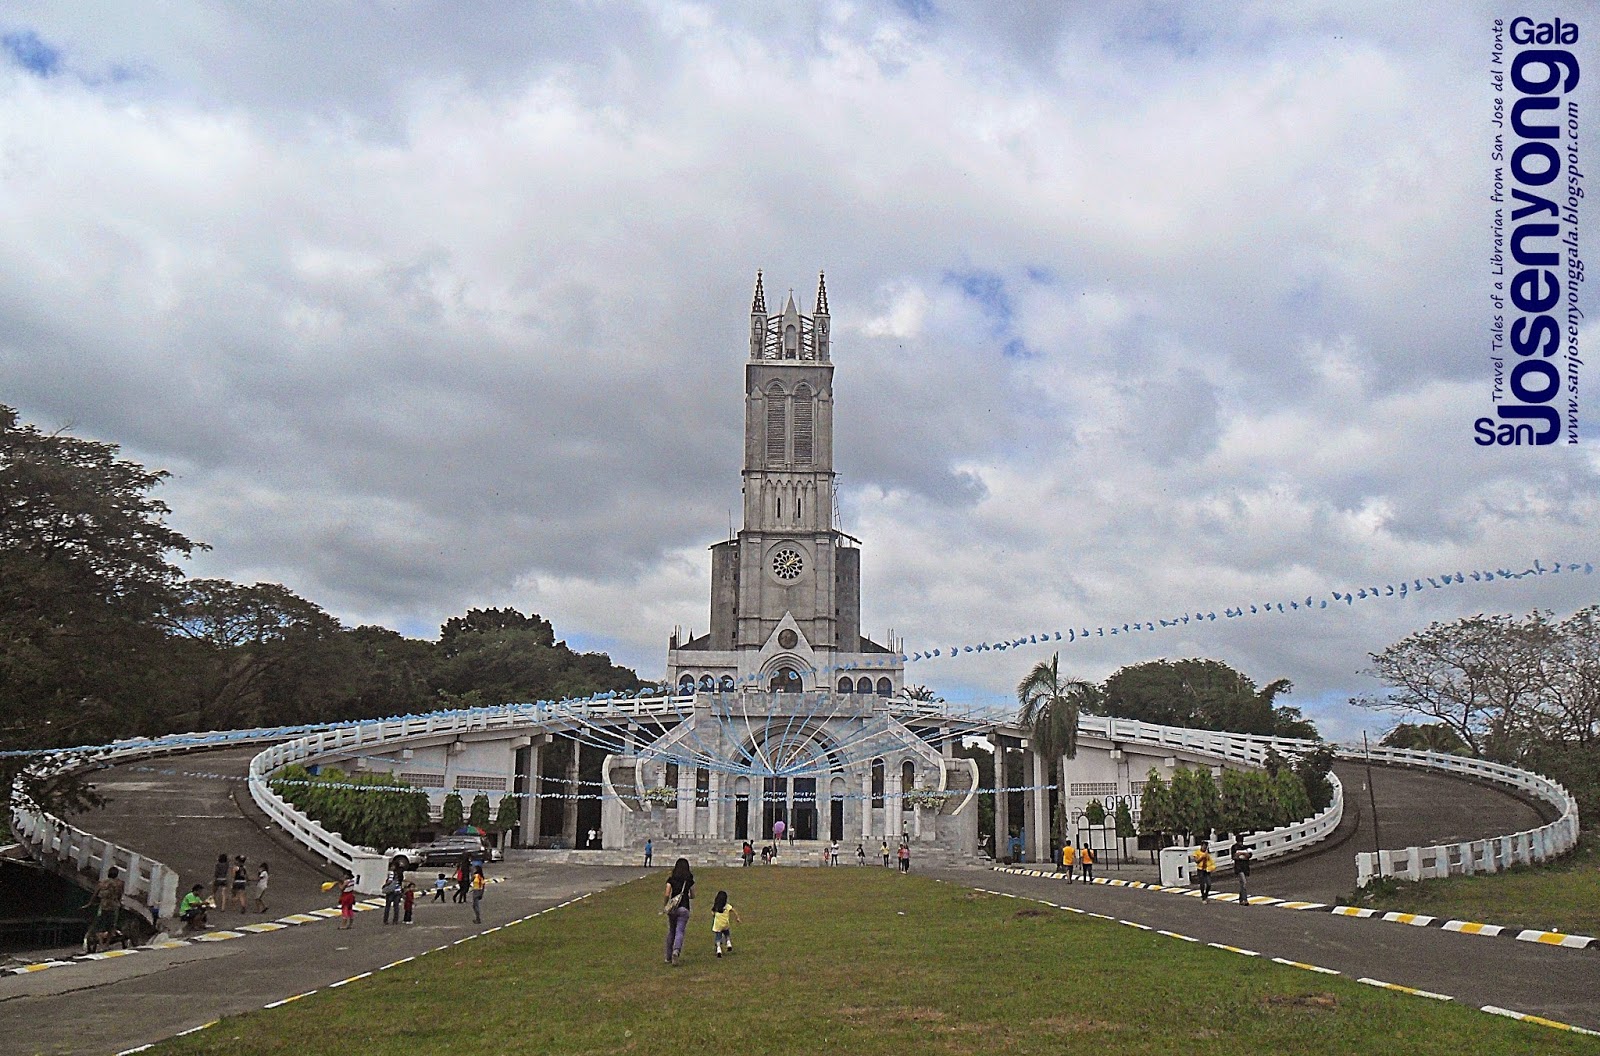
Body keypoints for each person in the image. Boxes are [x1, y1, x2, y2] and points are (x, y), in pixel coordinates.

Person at [662, 857, 694, 966]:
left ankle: (668, 956)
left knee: (671, 931)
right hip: (684, 907)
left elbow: (667, 893)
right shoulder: (688, 879)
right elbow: (693, 895)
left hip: (673, 908)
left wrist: (666, 904)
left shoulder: (671, 879)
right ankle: (676, 951)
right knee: (680, 930)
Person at [84, 866, 124, 945]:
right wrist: (119, 903)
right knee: (112, 925)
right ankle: (107, 944)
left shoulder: (102, 883)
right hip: (114, 906)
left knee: (99, 923)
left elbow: (95, 894)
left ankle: (100, 942)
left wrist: (90, 903)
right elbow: (120, 895)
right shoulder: (119, 884)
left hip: (103, 906)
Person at [710, 889, 742, 958]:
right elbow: (733, 910)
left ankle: (718, 949)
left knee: (718, 937)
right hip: (725, 924)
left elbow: (712, 913)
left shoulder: (716, 907)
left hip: (718, 925)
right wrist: (737, 918)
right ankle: (728, 943)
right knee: (726, 933)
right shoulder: (727, 906)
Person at [1232, 836, 1254, 905]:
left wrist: (1241, 854)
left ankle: (1241, 899)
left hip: (1245, 867)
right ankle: (1245, 899)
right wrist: (1243, 855)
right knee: (1244, 883)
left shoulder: (1246, 847)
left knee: (1242, 884)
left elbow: (1249, 855)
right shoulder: (1234, 847)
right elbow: (1234, 857)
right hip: (1239, 867)